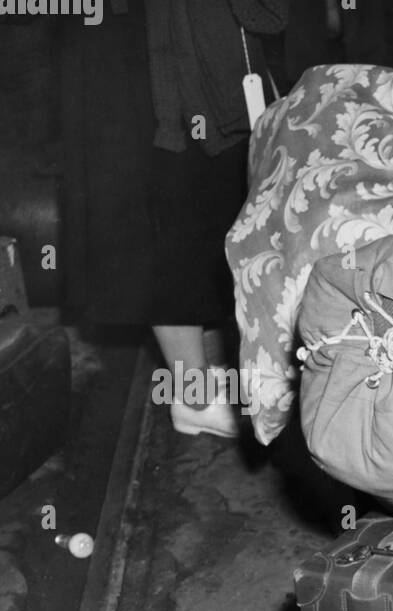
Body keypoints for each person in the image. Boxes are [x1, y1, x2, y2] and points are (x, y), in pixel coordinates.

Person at [61, 0, 289, 438]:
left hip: (187, 47)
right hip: (129, 51)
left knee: (220, 202)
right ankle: (193, 396)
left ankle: (205, 367)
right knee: (166, 218)